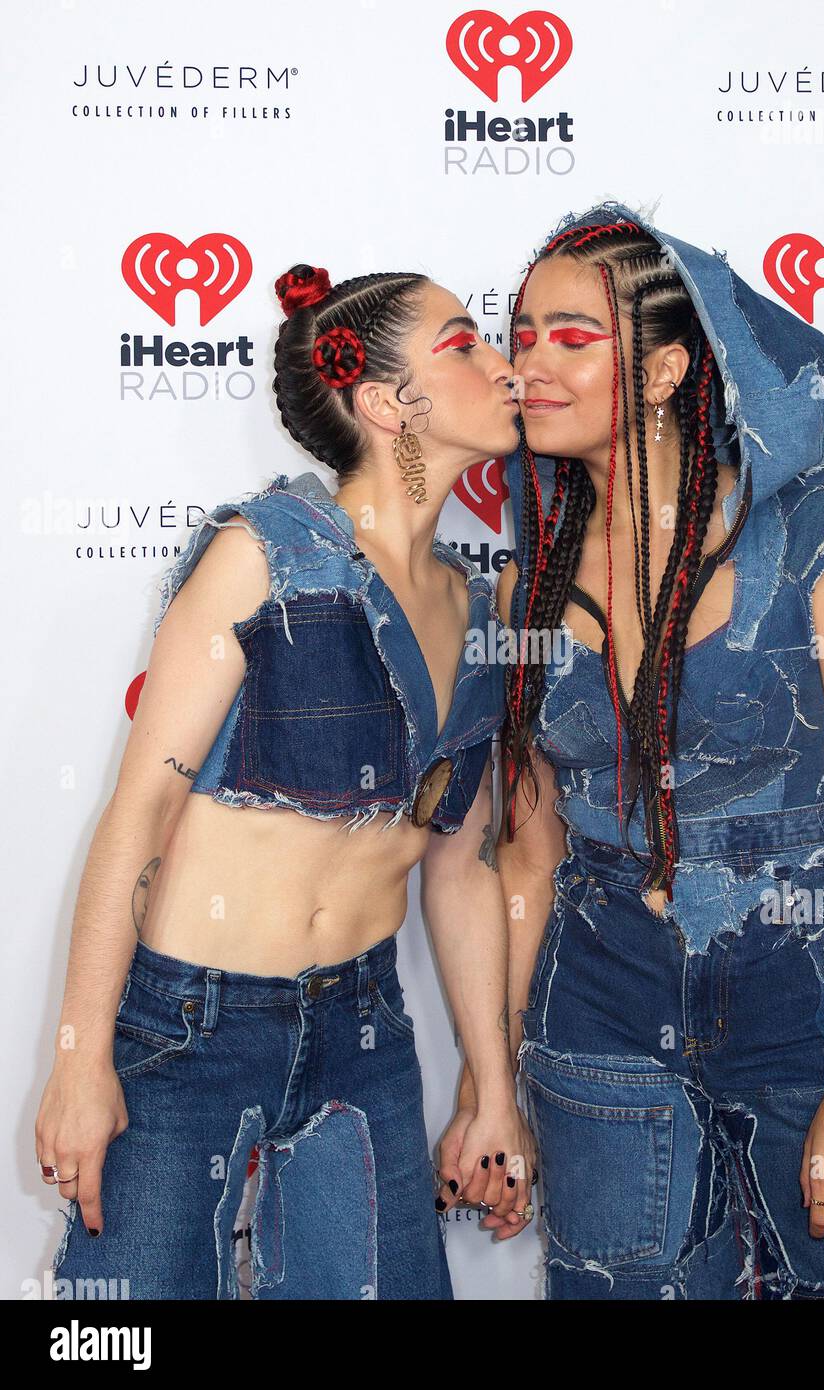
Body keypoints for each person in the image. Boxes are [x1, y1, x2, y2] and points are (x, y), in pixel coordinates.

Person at [477, 201, 824, 1299]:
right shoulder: (523, 587)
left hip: (807, 1017)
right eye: (521, 334)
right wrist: (499, 1082)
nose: (527, 364)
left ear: (660, 372)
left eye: (568, 336)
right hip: (595, 1016)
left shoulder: (817, 554)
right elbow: (525, 851)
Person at [37, 262, 534, 1300]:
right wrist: (80, 1061)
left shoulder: (482, 606)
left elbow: (457, 868)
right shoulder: (261, 554)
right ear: (383, 401)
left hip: (364, 1031)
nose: (503, 364)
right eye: (463, 345)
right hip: (189, 1027)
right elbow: (139, 813)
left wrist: (492, 1089)